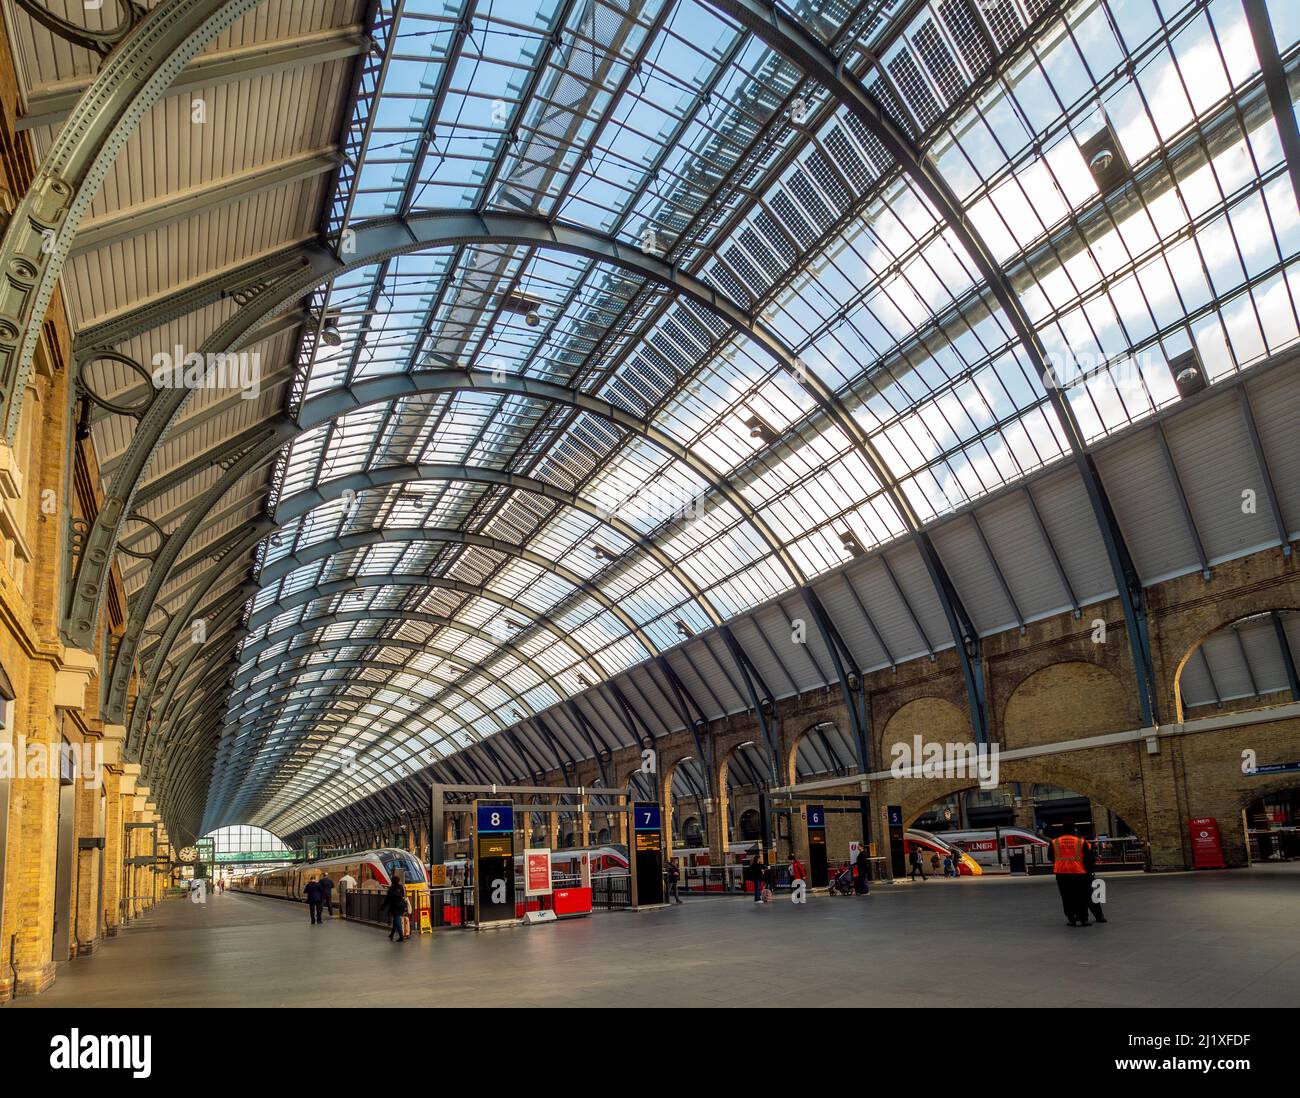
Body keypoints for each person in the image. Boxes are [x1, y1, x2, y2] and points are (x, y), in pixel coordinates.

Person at [1051, 821, 1090, 927]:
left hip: (1062, 874)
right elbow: (1087, 857)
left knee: (1066, 897)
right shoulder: (1080, 842)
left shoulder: (1055, 842)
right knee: (1081, 897)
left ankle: (1071, 919)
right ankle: (1084, 919)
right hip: (1078, 872)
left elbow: (1050, 857)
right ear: (1074, 830)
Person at [1082, 836, 1108, 924]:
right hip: (1084, 873)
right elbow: (1090, 860)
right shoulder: (1085, 844)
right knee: (1090, 895)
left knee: (1076, 896)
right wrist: (1091, 873)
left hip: (1070, 873)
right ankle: (1099, 915)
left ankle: (1080, 917)